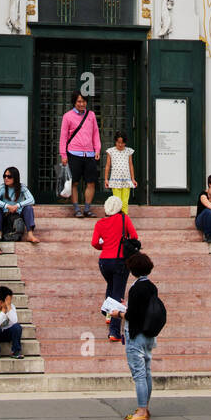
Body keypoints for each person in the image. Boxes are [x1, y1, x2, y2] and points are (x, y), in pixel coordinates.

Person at [91, 195, 138, 341]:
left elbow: (94, 243)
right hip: (120, 260)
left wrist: (104, 245)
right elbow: (134, 237)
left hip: (104, 261)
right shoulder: (124, 220)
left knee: (111, 286)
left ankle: (107, 313)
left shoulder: (100, 223)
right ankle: (114, 331)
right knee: (118, 294)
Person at [122, 251, 158, 420]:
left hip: (135, 333)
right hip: (149, 333)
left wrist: (119, 313)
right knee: (147, 372)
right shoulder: (152, 287)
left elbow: (132, 315)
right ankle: (145, 406)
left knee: (138, 374)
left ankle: (142, 410)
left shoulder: (136, 288)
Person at [59, 88, 101, 218]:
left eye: (83, 101)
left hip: (89, 155)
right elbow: (63, 137)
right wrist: (63, 155)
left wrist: (97, 149)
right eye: (79, 101)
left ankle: (87, 208)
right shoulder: (67, 116)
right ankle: (77, 208)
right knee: (74, 183)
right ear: (74, 102)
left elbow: (95, 133)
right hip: (74, 154)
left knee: (91, 182)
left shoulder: (91, 115)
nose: (81, 104)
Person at [0, 167, 40, 243]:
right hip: (5, 215)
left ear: (15, 177)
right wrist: (7, 206)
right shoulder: (2, 187)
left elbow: (32, 200)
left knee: (28, 208)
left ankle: (30, 235)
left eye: (9, 176)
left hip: (18, 215)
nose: (6, 178)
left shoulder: (22, 187)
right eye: (4, 176)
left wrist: (17, 205)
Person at [0, 285, 23, 359]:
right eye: (8, 300)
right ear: (0, 302)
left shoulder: (11, 306)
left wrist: (9, 308)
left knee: (17, 327)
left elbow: (15, 321)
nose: (10, 302)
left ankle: (16, 351)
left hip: (9, 334)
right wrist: (3, 311)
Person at [104, 132, 136, 213]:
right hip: (115, 180)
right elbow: (107, 166)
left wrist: (133, 179)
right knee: (117, 203)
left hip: (126, 180)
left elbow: (131, 165)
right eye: (118, 142)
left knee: (125, 202)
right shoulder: (111, 151)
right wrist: (106, 179)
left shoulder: (128, 151)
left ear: (125, 142)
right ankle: (117, 221)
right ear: (115, 141)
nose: (120, 145)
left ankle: (125, 220)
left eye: (122, 143)